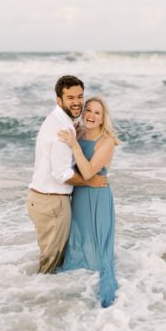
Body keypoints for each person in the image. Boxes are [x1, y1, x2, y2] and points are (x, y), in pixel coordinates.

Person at [27, 76, 108, 274]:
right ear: (59, 100)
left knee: (51, 260)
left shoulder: (61, 121)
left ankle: (41, 299)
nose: (77, 102)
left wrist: (78, 134)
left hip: (43, 199)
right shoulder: (62, 128)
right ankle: (36, 300)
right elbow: (63, 174)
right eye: (70, 97)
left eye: (80, 96)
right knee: (49, 265)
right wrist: (91, 182)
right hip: (52, 203)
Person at [57, 96, 120, 307]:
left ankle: (103, 299)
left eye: (97, 113)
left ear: (103, 119)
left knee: (99, 246)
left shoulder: (107, 141)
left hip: (97, 196)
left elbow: (87, 172)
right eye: (89, 111)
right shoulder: (79, 132)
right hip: (79, 194)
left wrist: (74, 145)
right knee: (78, 240)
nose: (91, 115)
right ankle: (77, 289)